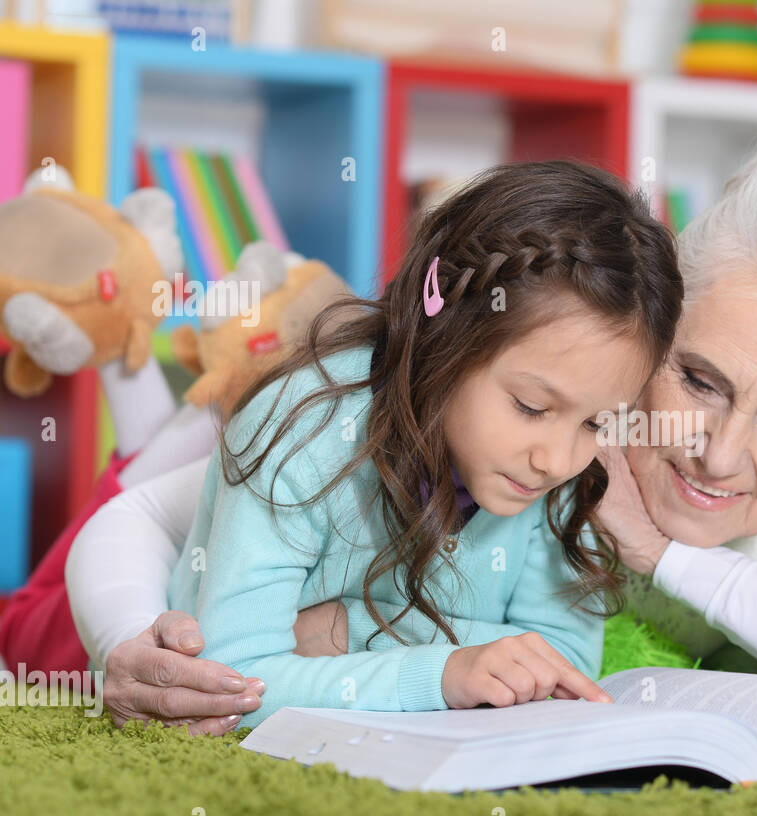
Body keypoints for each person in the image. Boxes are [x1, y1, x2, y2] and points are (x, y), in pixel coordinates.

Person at [70, 127, 757, 734]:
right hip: (183, 564)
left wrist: (670, 559)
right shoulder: (526, 355)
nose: (718, 454)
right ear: (658, 321)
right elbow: (146, 523)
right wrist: (128, 642)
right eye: (695, 378)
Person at [68, 159, 683, 731]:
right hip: (118, 618)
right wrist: (442, 671)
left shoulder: (553, 465)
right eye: (529, 406)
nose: (558, 460)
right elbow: (231, 685)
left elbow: (561, 663)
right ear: (444, 334)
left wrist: (341, 629)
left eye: (598, 424)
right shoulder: (302, 427)